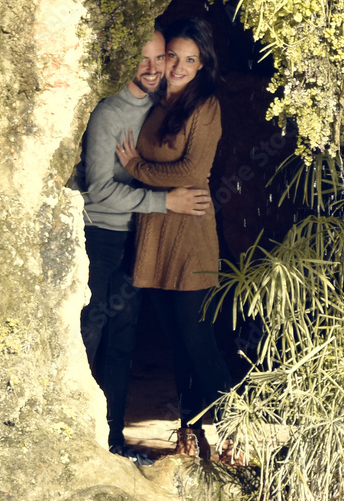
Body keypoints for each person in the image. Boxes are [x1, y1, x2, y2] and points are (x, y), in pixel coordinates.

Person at [72, 26, 212, 466]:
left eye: (160, 57)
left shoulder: (164, 107)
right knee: (90, 334)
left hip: (140, 238)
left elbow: (184, 163)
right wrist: (164, 201)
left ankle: (113, 440)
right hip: (102, 237)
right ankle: (77, 435)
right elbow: (98, 191)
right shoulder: (109, 113)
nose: (154, 68)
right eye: (143, 58)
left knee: (123, 341)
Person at [116, 16, 232, 461]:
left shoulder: (206, 105)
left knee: (196, 337)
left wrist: (137, 168)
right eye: (172, 56)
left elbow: (193, 171)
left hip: (189, 232)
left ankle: (234, 427)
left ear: (202, 65)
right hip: (155, 229)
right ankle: (192, 433)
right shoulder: (157, 101)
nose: (179, 66)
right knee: (175, 341)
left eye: (190, 59)